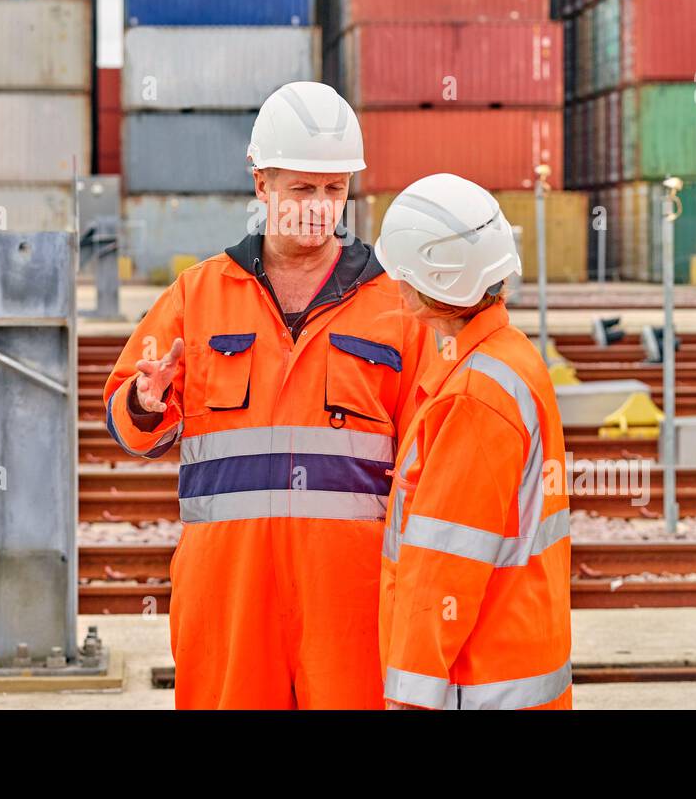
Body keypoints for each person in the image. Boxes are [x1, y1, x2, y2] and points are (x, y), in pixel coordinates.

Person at [102, 81, 438, 709]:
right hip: (228, 598)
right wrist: (147, 402)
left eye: (333, 189)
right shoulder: (197, 295)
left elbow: (430, 451)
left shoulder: (394, 307)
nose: (318, 206)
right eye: (301, 189)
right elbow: (125, 420)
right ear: (262, 185)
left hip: (350, 600)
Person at [373, 173, 572, 710]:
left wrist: (409, 698)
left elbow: (444, 564)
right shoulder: (510, 358)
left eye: (402, 274)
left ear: (427, 281)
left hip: (477, 685)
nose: (397, 286)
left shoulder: (474, 398)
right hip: (515, 665)